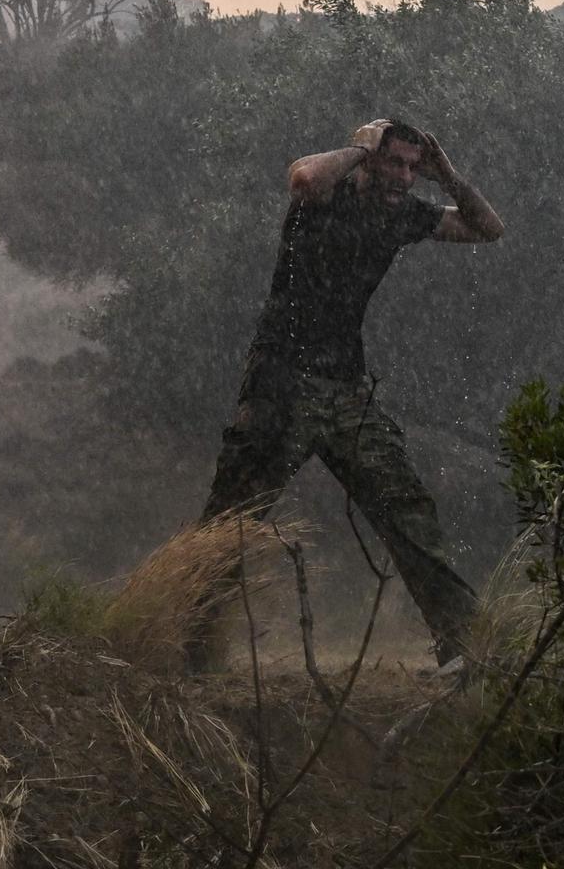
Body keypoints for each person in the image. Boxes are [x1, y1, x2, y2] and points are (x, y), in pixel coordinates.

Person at [197, 117, 505, 669]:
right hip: (283, 381)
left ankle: (464, 642)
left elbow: (487, 228)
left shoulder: (403, 215)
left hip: (346, 389)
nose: (406, 178)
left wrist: (451, 177)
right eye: (396, 163)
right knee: (234, 517)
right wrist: (362, 147)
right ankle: (188, 642)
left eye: (415, 167)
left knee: (407, 509)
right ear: (371, 158)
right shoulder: (325, 195)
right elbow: (304, 179)